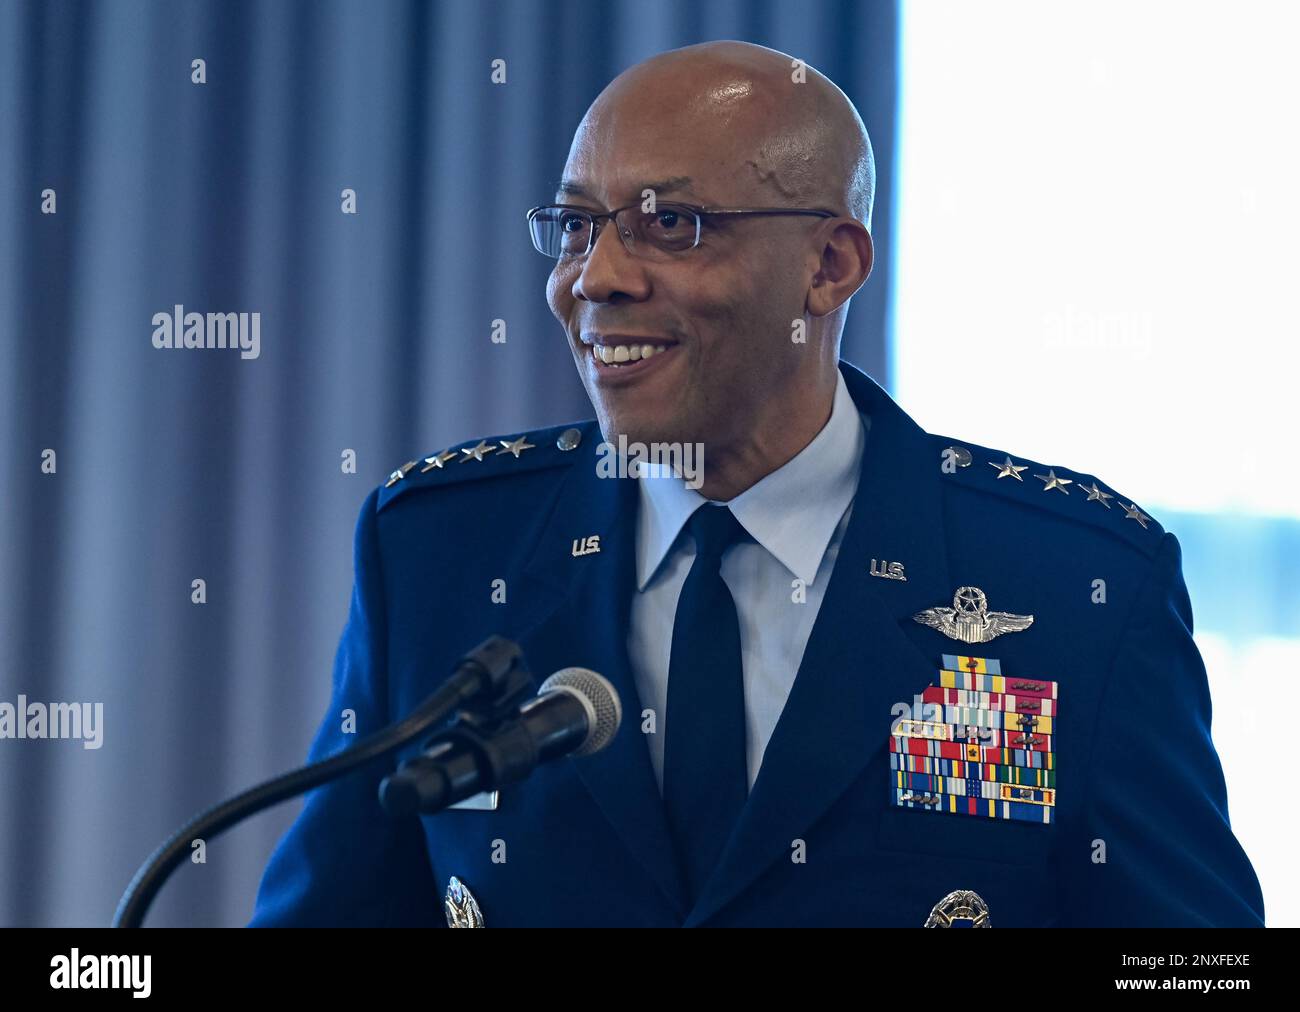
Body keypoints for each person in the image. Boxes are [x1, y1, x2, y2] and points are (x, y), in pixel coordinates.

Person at [249, 40, 1264, 927]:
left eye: (670, 225)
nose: (594, 277)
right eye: (574, 226)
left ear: (828, 263)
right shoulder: (443, 550)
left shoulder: (1072, 583)